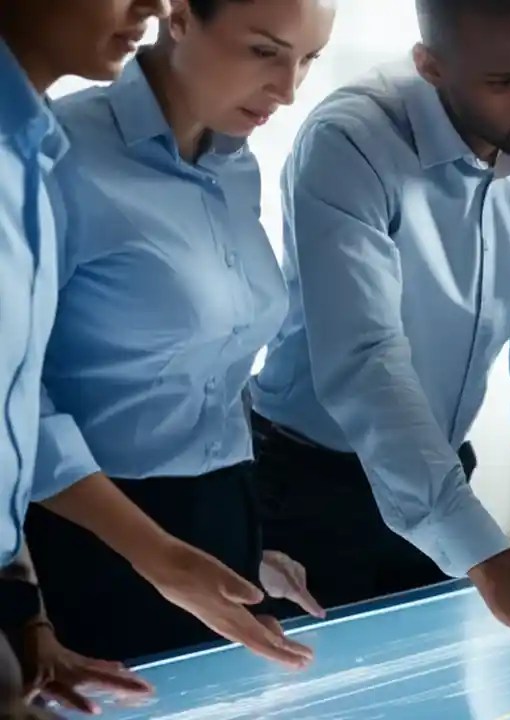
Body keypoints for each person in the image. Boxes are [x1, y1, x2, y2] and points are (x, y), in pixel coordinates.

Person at [249, 0, 510, 671]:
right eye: (505, 81)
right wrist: (491, 559)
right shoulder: (348, 142)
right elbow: (367, 361)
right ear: (431, 67)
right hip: (308, 487)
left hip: (440, 475)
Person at [1, 1, 322, 713]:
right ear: (180, 18)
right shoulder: (53, 149)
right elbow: (21, 400)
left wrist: (247, 541)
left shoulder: (237, 166)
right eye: (266, 51)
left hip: (219, 523)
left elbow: (215, 365)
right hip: (93, 535)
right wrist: (155, 553)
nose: (288, 89)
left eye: (307, 61)